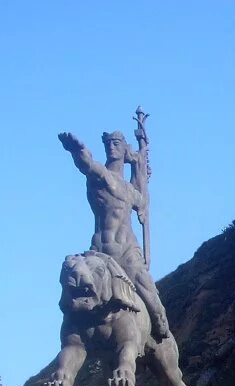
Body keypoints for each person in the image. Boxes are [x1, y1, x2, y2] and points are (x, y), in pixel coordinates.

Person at [58, 130, 170, 339]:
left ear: (125, 149)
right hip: (100, 250)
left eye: (116, 143)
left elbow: (142, 200)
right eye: (108, 143)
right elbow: (87, 165)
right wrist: (77, 151)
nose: (111, 147)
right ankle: (74, 337)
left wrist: (141, 169)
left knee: (147, 287)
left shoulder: (129, 189)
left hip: (127, 250)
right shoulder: (102, 176)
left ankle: (159, 323)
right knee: (75, 278)